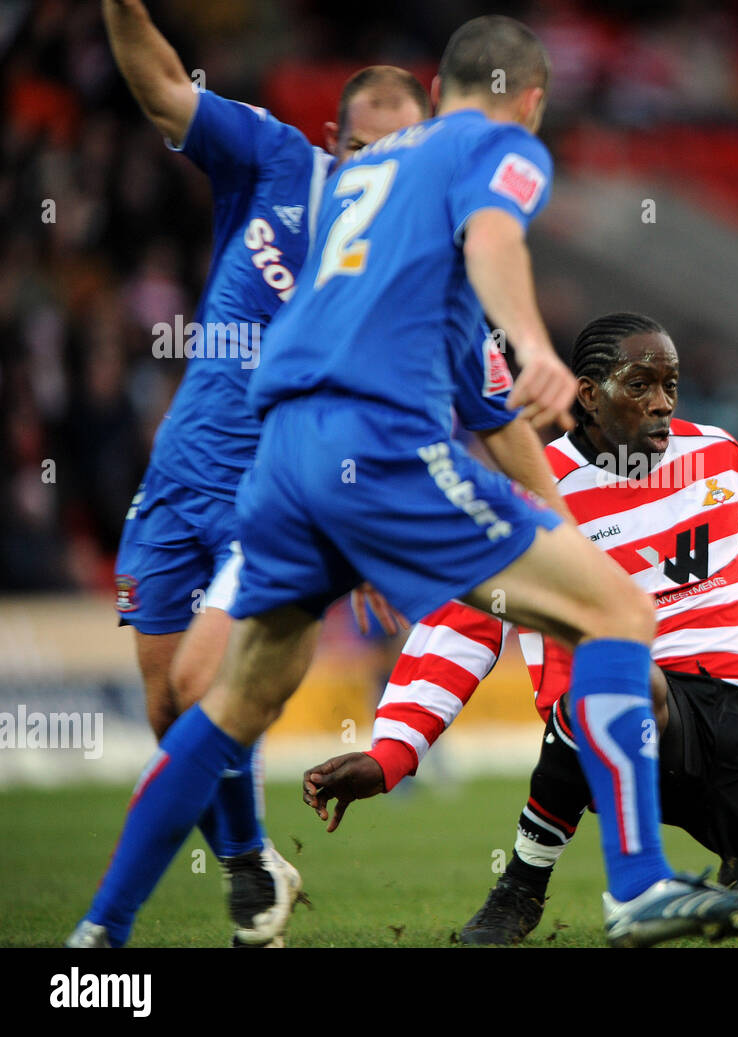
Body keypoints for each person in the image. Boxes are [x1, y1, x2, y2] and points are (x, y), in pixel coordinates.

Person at [69, 15, 738, 951]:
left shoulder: (354, 184)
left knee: (228, 701)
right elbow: (494, 244)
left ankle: (98, 938)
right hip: (379, 444)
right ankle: (639, 884)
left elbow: (466, 391)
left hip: (281, 454)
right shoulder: (491, 149)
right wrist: (534, 344)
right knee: (619, 614)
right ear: (527, 99)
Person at [302, 313, 738, 943]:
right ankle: (521, 886)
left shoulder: (723, 460)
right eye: (640, 385)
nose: (661, 404)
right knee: (624, 665)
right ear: (589, 395)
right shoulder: (538, 491)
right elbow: (461, 626)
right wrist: (393, 752)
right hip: (633, 725)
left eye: (669, 385)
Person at [101, 0, 434, 945]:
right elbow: (164, 90)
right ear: (335, 138)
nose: (384, 168)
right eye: (369, 146)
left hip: (274, 494)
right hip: (177, 471)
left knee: (209, 689)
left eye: (406, 153)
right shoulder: (278, 163)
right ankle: (253, 863)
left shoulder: (410, 264)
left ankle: (115, 924)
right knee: (169, 709)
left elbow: (403, 406)